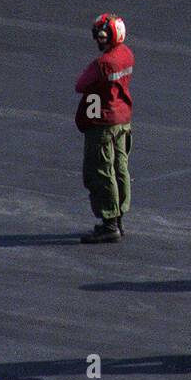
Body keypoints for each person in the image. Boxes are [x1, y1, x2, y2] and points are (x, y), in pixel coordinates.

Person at [75, 13, 134, 244]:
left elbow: (80, 84)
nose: (98, 39)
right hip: (123, 119)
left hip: (104, 123)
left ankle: (109, 223)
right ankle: (119, 217)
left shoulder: (103, 63)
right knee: (120, 168)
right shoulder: (127, 54)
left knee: (100, 171)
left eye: (100, 35)